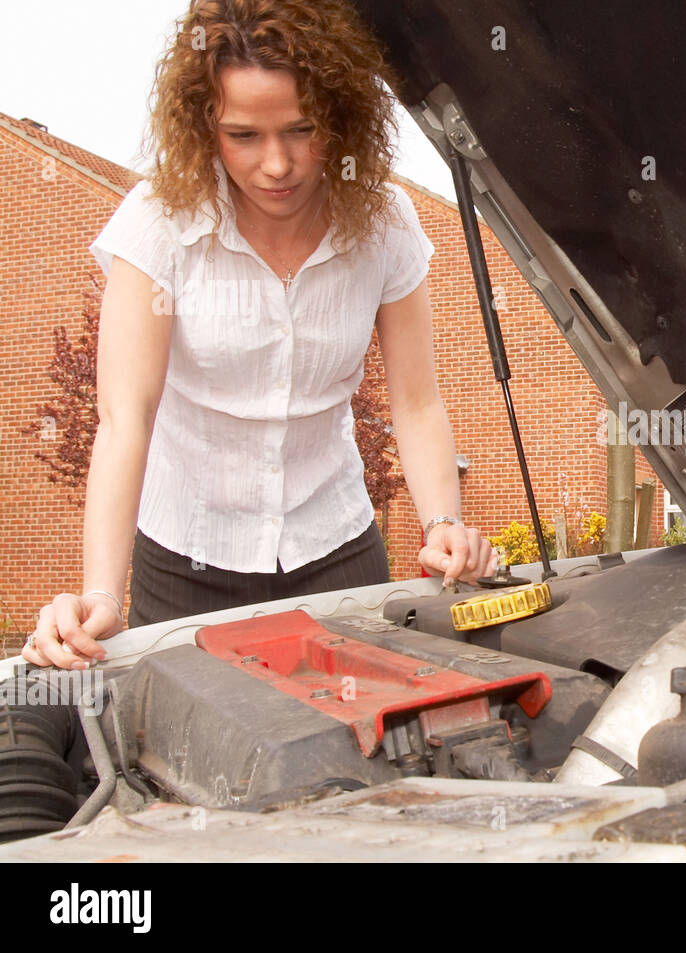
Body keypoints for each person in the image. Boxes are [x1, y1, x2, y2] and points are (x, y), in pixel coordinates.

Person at [23, 0, 495, 671]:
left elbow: (417, 403)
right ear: (204, 125)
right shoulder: (159, 223)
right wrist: (100, 590)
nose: (277, 164)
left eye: (301, 129)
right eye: (243, 135)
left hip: (338, 553)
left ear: (338, 114)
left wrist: (443, 526)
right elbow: (124, 418)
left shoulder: (385, 219)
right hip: (187, 564)